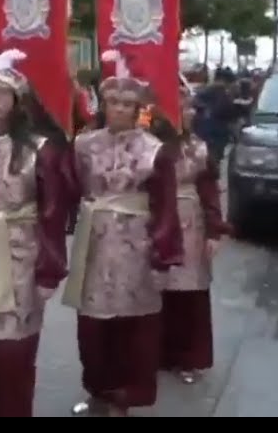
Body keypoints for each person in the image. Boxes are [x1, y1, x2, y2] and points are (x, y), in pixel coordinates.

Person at [0, 50, 76, 417]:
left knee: (12, 357)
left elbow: (53, 214)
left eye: (1, 93)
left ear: (18, 101)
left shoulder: (39, 151)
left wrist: (50, 270)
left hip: (19, 258)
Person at [65, 49, 183, 417]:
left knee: (132, 325)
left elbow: (166, 206)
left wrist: (164, 254)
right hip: (93, 242)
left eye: (125, 103)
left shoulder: (155, 151)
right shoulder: (84, 145)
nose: (117, 109)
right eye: (111, 101)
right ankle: (98, 390)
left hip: (136, 244)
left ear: (137, 109)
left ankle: (126, 396)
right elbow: (69, 188)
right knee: (93, 325)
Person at [152, 89, 231, 384]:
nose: (190, 113)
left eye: (190, 108)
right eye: (182, 107)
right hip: (154, 219)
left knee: (189, 293)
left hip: (189, 220)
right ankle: (154, 355)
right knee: (154, 290)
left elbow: (209, 191)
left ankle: (186, 359)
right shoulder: (148, 147)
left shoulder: (198, 148)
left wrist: (214, 231)